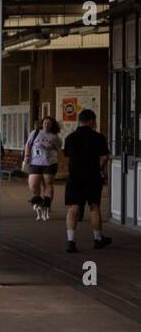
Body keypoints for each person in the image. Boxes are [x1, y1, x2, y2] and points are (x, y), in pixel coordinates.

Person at [63, 108, 111, 252]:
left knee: (73, 208)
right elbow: (105, 156)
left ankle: (71, 241)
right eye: (95, 121)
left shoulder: (70, 138)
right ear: (91, 121)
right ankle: (98, 238)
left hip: (75, 178)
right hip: (92, 177)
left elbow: (67, 156)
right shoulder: (98, 137)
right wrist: (100, 167)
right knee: (94, 207)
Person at [24, 117, 60, 221]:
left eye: (49, 123)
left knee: (48, 184)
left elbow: (59, 151)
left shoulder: (55, 137)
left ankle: (47, 206)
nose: (46, 125)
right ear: (42, 124)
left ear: (52, 125)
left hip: (50, 163)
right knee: (33, 185)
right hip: (35, 162)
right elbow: (28, 145)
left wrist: (53, 147)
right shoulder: (35, 133)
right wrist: (26, 156)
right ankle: (38, 200)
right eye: (45, 123)